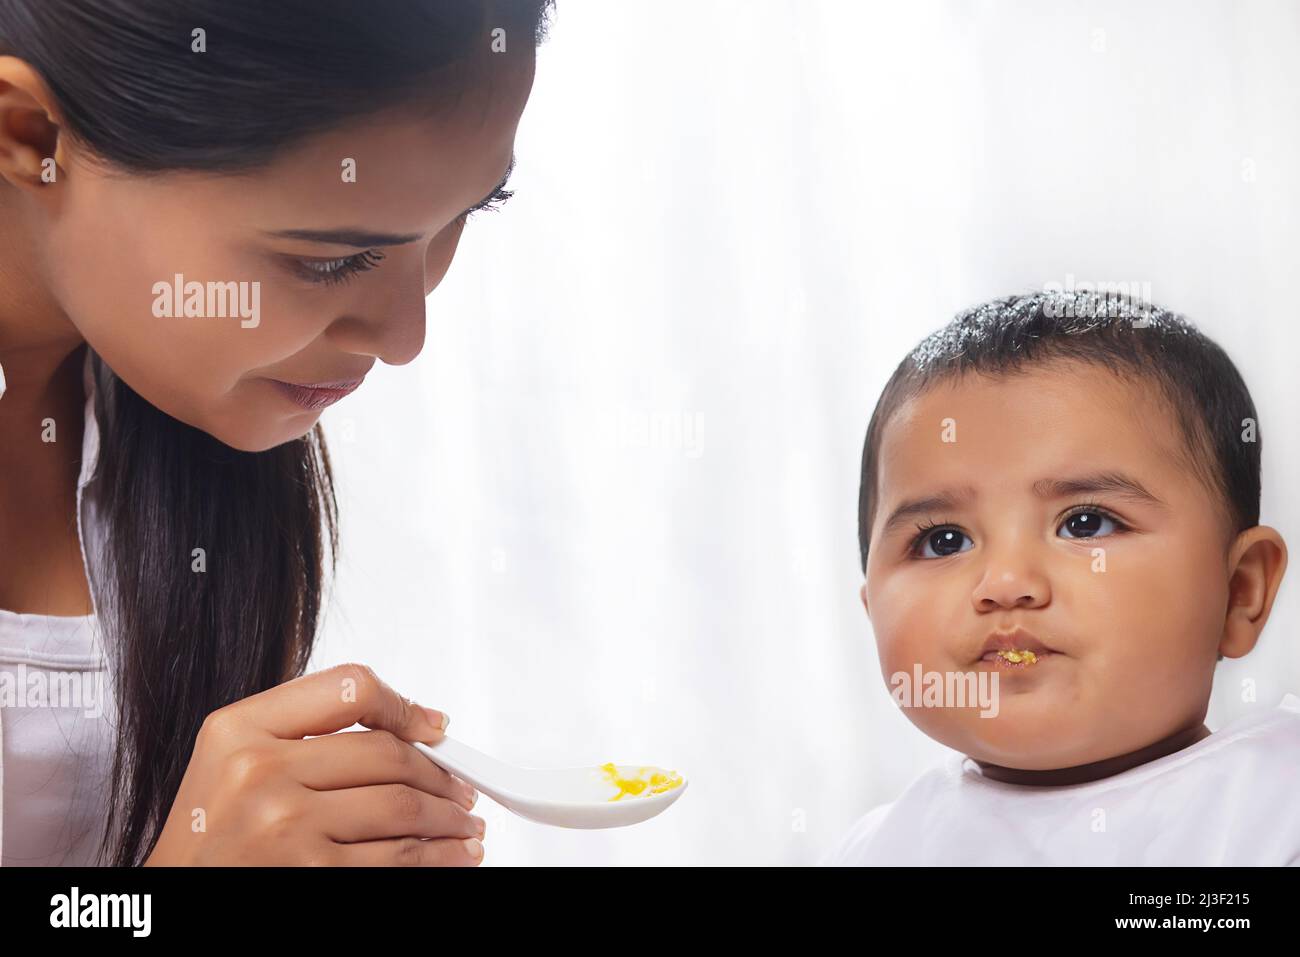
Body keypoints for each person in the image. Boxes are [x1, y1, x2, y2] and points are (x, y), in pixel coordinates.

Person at [0, 0, 554, 866]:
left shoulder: (176, 418)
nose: (405, 336)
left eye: (463, 216)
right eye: (329, 261)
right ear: (30, 136)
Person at [823, 290, 1297, 865]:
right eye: (943, 540)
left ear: (1240, 591)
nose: (1004, 582)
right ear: (872, 609)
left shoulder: (1272, 809)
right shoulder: (877, 850)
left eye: (1085, 524)